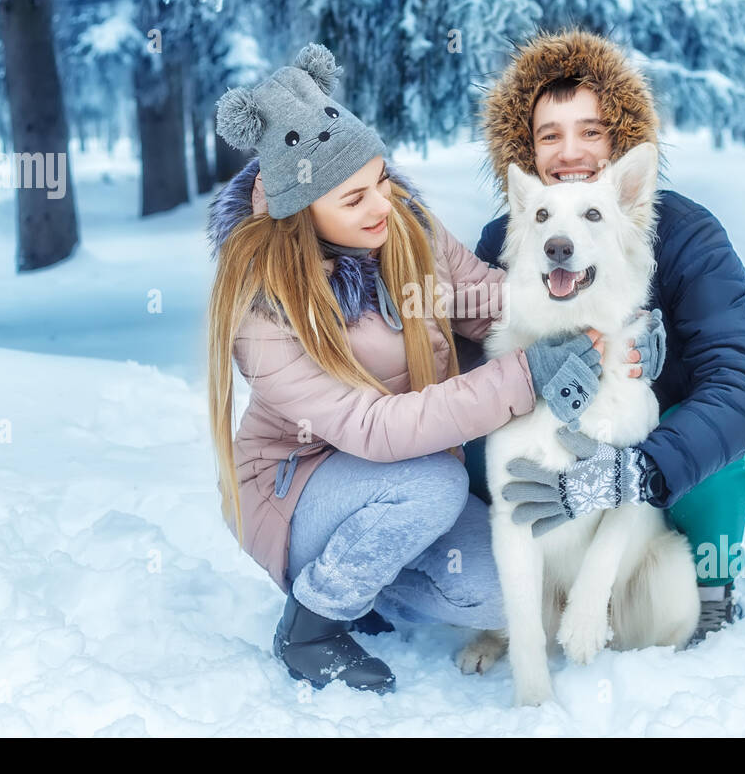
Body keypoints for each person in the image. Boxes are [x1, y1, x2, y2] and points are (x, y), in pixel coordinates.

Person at [204, 43, 662, 694]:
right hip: (298, 492)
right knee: (431, 489)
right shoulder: (264, 307)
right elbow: (375, 430)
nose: (382, 205)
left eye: (383, 178)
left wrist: (600, 328)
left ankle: (376, 585)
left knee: (508, 600)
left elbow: (488, 299)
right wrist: (529, 373)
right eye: (355, 197)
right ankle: (314, 619)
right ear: (302, 213)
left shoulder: (404, 227)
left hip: (406, 477)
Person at [463, 28, 745, 643]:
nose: (570, 151)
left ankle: (708, 588)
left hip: (658, 464)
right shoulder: (508, 239)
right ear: (527, 152)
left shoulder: (687, 232)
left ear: (621, 138)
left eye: (590, 129)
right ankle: (524, 605)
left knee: (726, 455)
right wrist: (532, 368)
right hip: (552, 448)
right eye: (549, 135)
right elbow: (464, 371)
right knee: (477, 450)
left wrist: (637, 467)